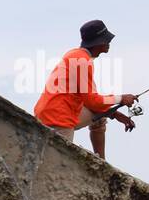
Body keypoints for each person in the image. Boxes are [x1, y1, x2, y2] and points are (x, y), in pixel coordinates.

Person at [33, 20, 136, 159]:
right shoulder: (83, 61)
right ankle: (100, 163)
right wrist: (121, 98)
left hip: (47, 111)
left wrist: (115, 114)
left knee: (99, 118)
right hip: (58, 118)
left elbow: (89, 100)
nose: (109, 43)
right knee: (61, 161)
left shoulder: (75, 54)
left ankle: (101, 161)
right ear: (98, 42)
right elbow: (94, 102)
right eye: (106, 40)